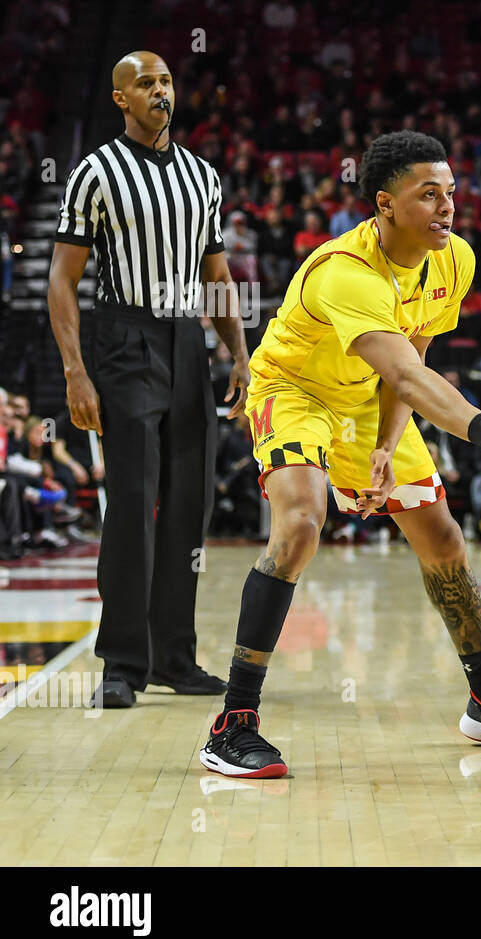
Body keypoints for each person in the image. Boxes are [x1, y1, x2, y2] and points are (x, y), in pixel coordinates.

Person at [198, 131, 481, 778]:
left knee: (442, 537)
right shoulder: (344, 273)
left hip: (367, 398)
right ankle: (233, 722)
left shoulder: (452, 259)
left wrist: (383, 446)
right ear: (384, 203)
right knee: (300, 522)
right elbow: (407, 375)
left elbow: (413, 362)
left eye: (451, 193)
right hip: (294, 389)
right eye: (428, 195)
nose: (447, 207)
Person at [49, 51, 250, 708]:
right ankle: (122, 662)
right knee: (133, 505)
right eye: (146, 83)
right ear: (120, 99)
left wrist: (239, 355)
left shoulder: (202, 176)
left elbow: (217, 274)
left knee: (188, 505)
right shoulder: (94, 172)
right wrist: (76, 372)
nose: (161, 91)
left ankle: (175, 657)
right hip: (124, 336)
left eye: (166, 81)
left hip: (187, 337)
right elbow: (61, 279)